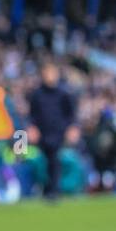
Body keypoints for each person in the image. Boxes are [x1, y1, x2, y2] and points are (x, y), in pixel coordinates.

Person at [28, 62, 75, 200]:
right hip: (42, 133)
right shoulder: (37, 94)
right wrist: (32, 128)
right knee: (45, 161)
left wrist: (72, 128)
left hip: (58, 132)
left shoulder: (63, 93)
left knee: (55, 160)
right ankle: (48, 188)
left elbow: (70, 114)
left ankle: (54, 190)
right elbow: (32, 115)